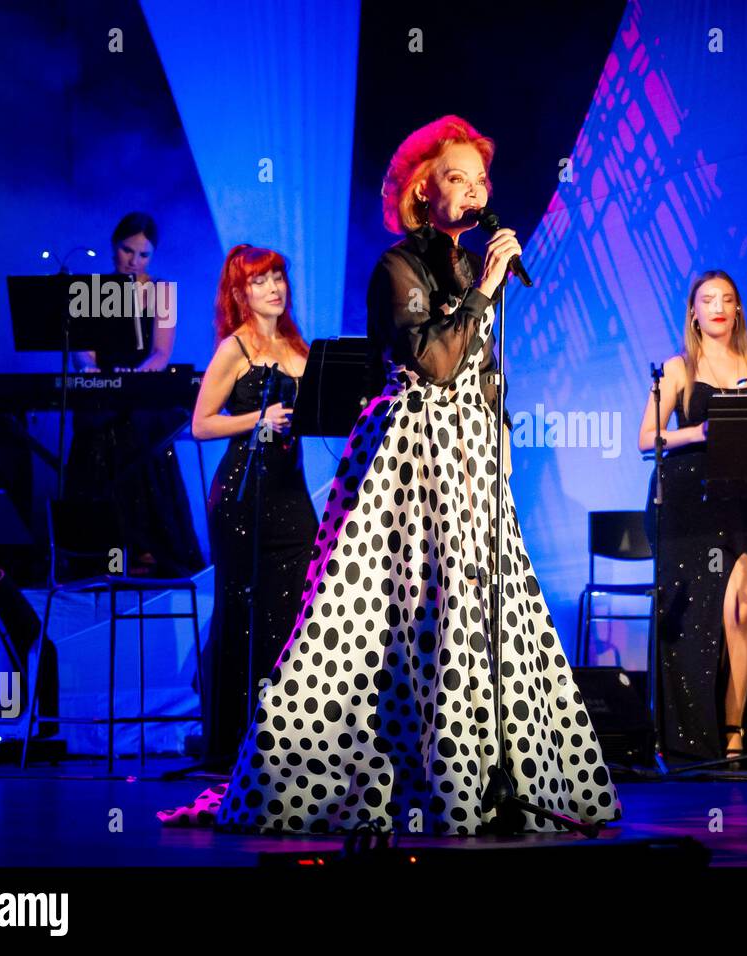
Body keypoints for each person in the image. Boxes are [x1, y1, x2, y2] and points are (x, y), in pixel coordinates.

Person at [159, 115, 621, 835]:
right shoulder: (397, 268)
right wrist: (486, 289)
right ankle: (383, 772)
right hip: (408, 458)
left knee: (477, 611)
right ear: (422, 192)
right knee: (392, 612)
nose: (475, 190)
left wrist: (495, 426)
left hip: (470, 460)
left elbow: (479, 369)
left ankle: (485, 768)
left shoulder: (471, 269)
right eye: (457, 178)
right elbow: (434, 365)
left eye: (480, 179)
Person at [637, 270, 747, 762]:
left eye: (727, 299)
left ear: (738, 309)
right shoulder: (680, 367)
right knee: (697, 619)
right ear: (693, 313)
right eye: (707, 300)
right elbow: (646, 440)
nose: (718, 306)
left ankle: (736, 732)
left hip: (736, 496)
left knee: (741, 610)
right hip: (684, 500)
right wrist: (700, 432)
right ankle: (691, 738)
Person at [189, 244, 318, 763]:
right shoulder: (233, 350)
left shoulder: (299, 347)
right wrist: (255, 421)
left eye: (279, 278)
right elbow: (201, 424)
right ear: (240, 292)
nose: (274, 288)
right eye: (261, 281)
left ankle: (287, 740)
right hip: (244, 495)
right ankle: (232, 744)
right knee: (244, 611)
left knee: (295, 612)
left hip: (291, 494)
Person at [64, 212, 204, 578]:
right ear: (115, 246)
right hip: (100, 389)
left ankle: (146, 550)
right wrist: (91, 368)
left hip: (142, 391)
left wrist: (135, 381)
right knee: (94, 433)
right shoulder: (91, 290)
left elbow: (161, 353)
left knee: (140, 437)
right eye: (128, 251)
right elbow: (83, 348)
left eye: (144, 255)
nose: (134, 261)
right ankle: (94, 550)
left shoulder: (162, 292)